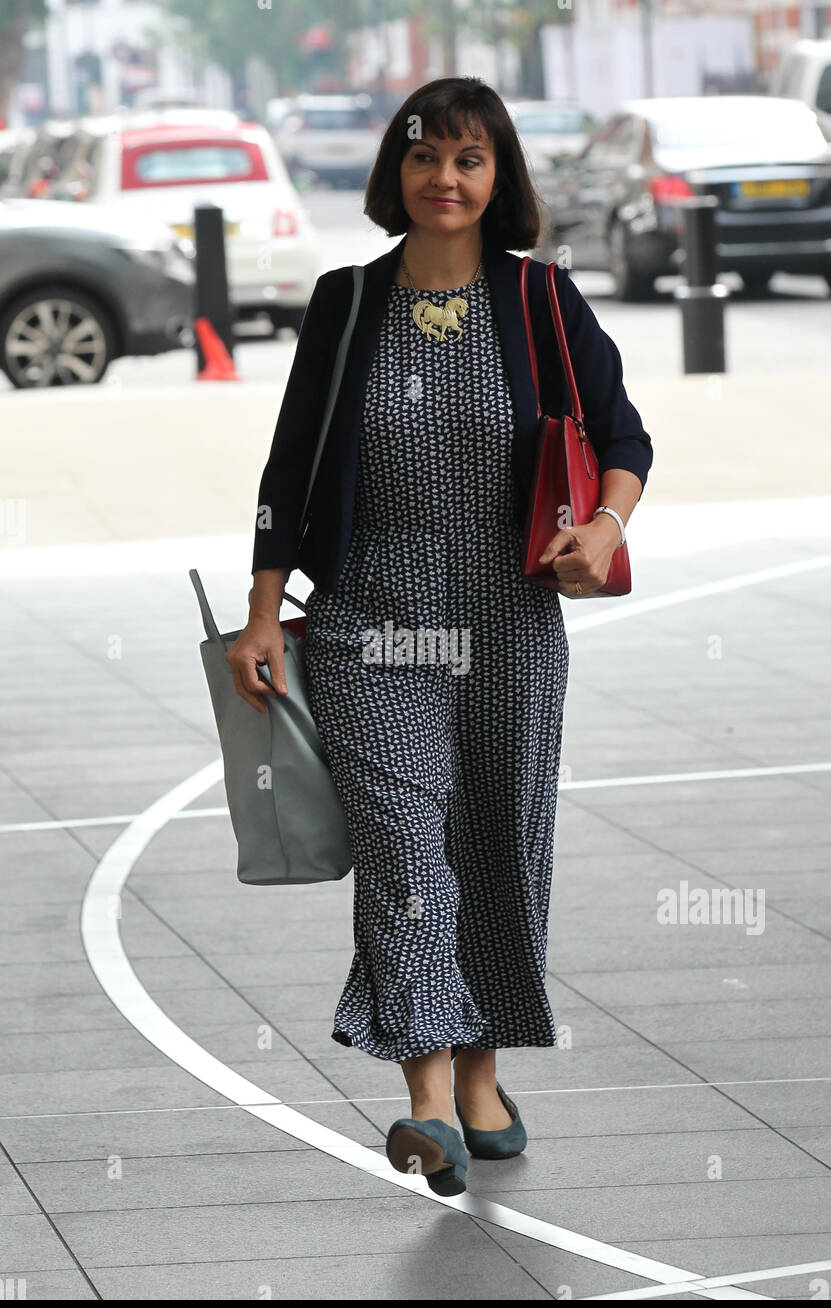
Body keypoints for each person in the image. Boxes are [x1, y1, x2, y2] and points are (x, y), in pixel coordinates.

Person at [226, 76, 653, 1197]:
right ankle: (425, 1105)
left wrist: (604, 526)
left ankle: (482, 1075)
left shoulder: (545, 302)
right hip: (373, 624)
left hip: (510, 623)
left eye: (469, 159)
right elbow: (290, 468)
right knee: (407, 855)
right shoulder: (344, 302)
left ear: (498, 176)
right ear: (394, 174)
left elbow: (625, 438)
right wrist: (266, 609)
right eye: (425, 158)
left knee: (495, 854)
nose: (445, 179)